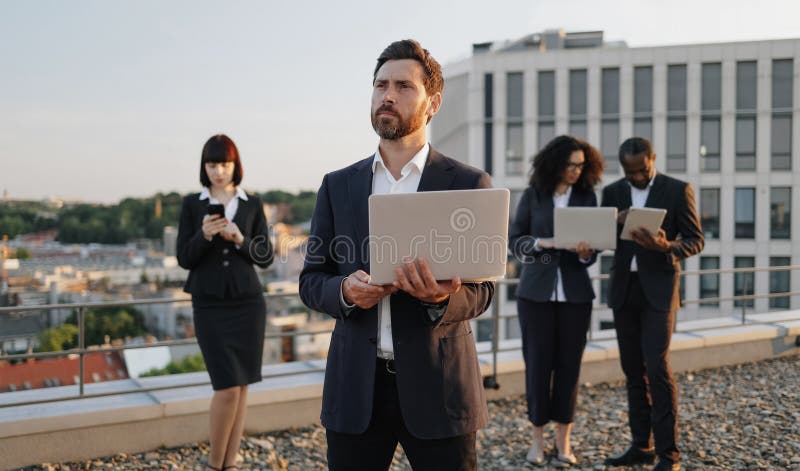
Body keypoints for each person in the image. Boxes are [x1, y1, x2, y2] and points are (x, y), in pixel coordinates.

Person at [298, 39, 495, 471]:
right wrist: (346, 292)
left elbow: (483, 291)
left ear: (433, 102)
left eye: (404, 86)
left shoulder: (468, 182)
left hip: (440, 389)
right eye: (380, 84)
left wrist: (441, 299)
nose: (387, 95)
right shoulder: (337, 185)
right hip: (356, 391)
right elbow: (311, 281)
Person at [601, 137, 703, 471]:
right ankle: (641, 446)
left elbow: (696, 240)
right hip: (623, 290)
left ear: (653, 160)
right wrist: (612, 224)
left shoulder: (677, 190)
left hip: (659, 291)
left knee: (658, 369)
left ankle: (669, 455)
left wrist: (667, 246)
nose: (636, 177)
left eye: (641, 170)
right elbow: (604, 239)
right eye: (629, 172)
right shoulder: (614, 192)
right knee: (632, 371)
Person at [176, 134, 274, 471]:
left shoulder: (252, 203)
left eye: (225, 164)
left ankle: (230, 463)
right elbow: (184, 259)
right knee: (227, 387)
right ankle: (215, 464)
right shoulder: (192, 204)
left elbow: (265, 256)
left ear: (236, 165)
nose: (219, 171)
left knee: (242, 386)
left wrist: (239, 239)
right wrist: (203, 235)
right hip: (209, 306)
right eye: (213, 164)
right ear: (204, 167)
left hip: (248, 303)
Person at [508, 135, 604, 467]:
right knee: (537, 366)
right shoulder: (533, 196)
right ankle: (537, 441)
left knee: (569, 368)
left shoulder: (587, 197)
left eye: (581, 165)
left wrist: (586, 252)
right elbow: (514, 241)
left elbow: (594, 252)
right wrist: (542, 243)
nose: (576, 170)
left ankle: (564, 442)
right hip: (535, 294)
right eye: (570, 165)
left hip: (576, 296)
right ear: (555, 164)